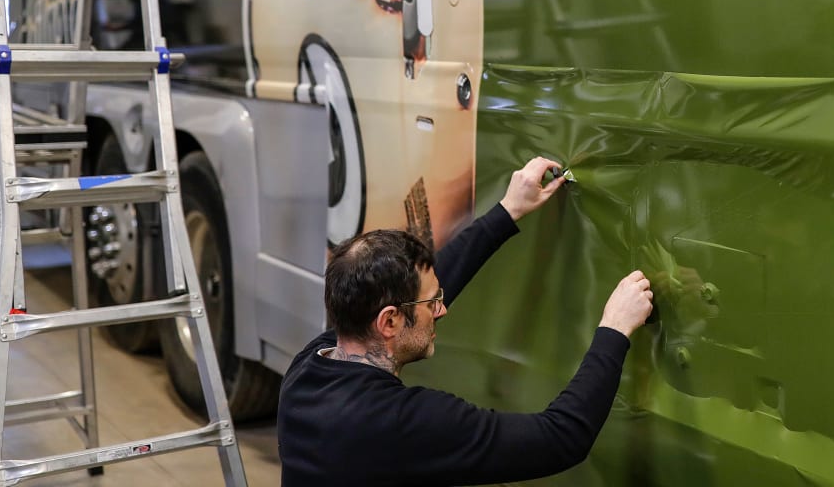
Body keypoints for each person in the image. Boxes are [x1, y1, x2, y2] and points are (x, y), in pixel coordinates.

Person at [277, 156, 654, 486]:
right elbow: (561, 439)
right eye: (432, 304)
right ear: (389, 322)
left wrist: (507, 211)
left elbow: (428, 284)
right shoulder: (402, 423)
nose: (442, 309)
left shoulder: (309, 367)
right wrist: (614, 329)